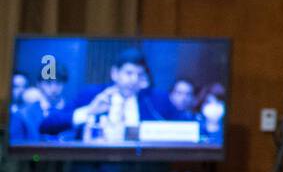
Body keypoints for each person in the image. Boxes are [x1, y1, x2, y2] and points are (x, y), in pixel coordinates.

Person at [41, 48, 179, 141]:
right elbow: (47, 125)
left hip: (140, 169)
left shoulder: (156, 100)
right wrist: (89, 111)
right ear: (115, 73)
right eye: (129, 73)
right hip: (95, 168)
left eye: (139, 75)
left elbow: (186, 126)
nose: (134, 80)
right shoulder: (91, 94)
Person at [14, 64, 71, 143]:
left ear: (64, 84)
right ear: (39, 84)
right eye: (48, 82)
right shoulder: (23, 115)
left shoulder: (72, 112)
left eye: (58, 82)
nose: (53, 88)